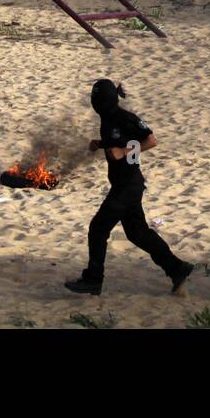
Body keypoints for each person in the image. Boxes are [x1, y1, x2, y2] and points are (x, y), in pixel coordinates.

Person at [65, 79, 194, 296]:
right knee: (137, 233)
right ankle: (177, 268)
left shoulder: (125, 118)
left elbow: (151, 141)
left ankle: (93, 280)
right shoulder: (106, 119)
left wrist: (124, 153)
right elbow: (119, 140)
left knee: (98, 228)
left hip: (128, 185)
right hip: (124, 184)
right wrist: (100, 144)